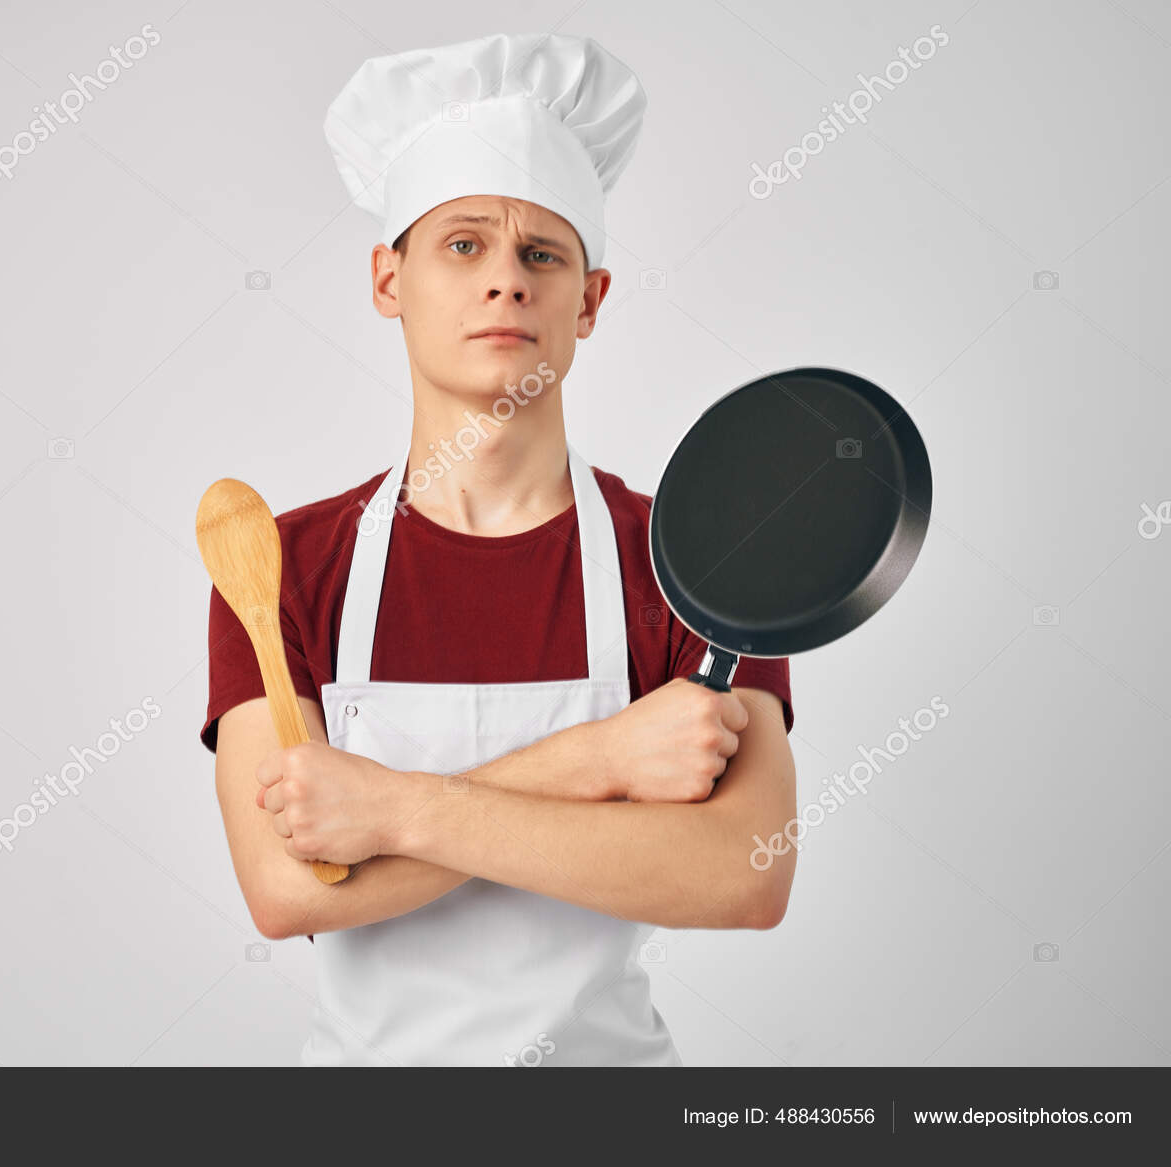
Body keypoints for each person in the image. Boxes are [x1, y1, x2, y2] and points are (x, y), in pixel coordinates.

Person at [200, 32, 798, 1067]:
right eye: (464, 245)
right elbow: (288, 890)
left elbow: (745, 874)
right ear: (389, 278)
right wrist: (599, 759)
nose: (506, 283)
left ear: (590, 300)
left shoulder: (698, 561)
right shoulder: (279, 569)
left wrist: (386, 811)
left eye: (542, 255)